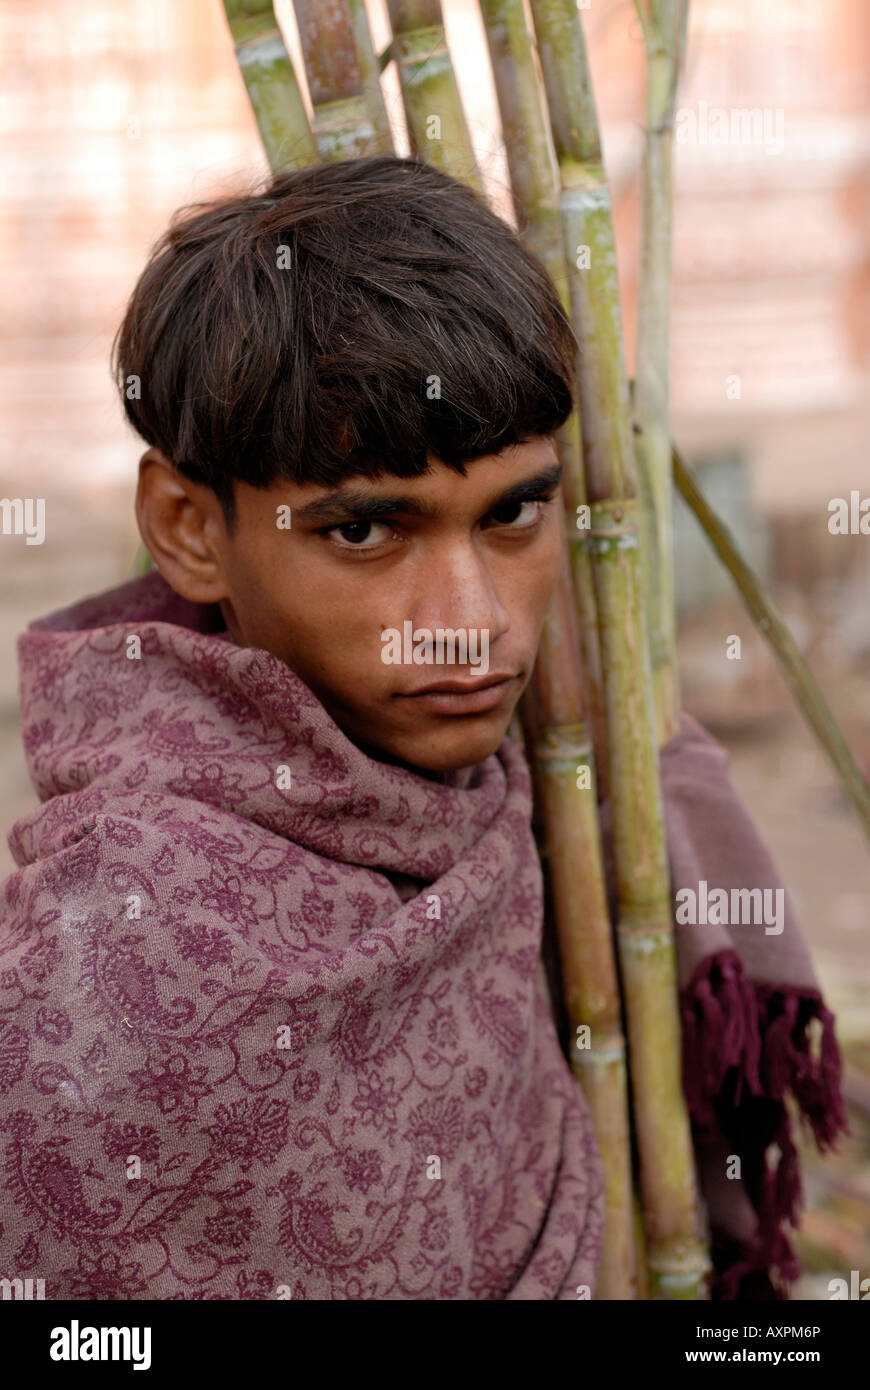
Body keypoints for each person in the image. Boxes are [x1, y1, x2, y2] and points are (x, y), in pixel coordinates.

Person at [0, 155, 845, 1300]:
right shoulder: (105, 976)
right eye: (364, 533)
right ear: (190, 530)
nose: (471, 624)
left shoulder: (536, 801)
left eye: (514, 513)